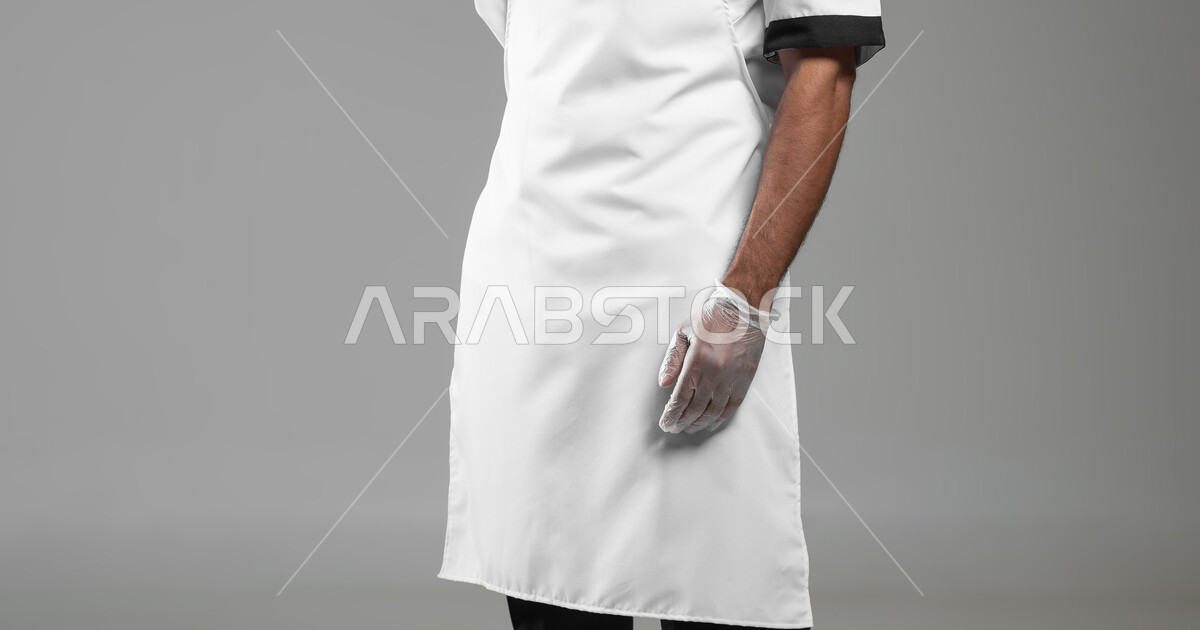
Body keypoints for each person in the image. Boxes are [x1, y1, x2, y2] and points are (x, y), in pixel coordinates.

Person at [438, 1, 886, 628]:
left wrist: (744, 296)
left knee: (714, 585)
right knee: (550, 594)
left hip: (693, 284)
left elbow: (824, 69)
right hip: (530, 270)